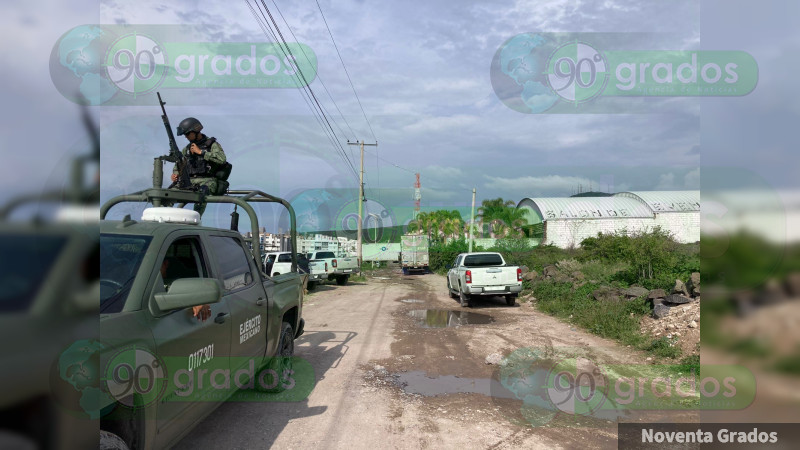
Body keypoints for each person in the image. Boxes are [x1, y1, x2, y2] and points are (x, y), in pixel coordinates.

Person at [170, 117, 227, 216]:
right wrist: (175, 174)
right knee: (167, 194)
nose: (186, 137)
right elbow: (179, 164)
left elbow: (222, 159)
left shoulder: (211, 145)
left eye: (188, 134)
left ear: (196, 131)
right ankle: (163, 218)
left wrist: (201, 152)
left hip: (207, 181)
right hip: (189, 182)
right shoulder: (187, 149)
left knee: (201, 194)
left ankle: (196, 218)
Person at [159, 257, 211, 321]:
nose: (152, 270)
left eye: (156, 266)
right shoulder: (149, 283)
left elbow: (206, 291)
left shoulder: (186, 281)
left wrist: (201, 301)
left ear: (165, 263)